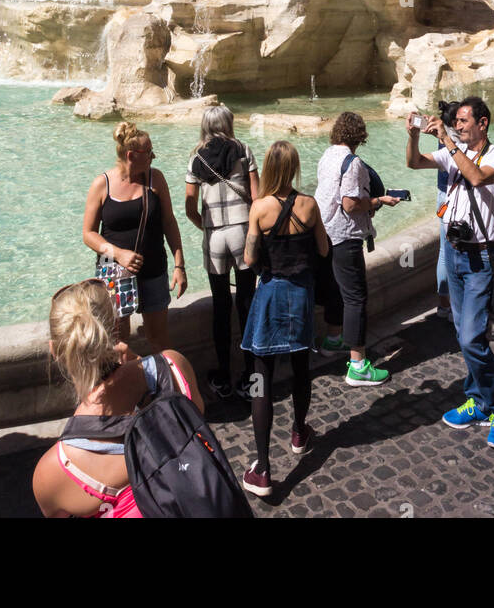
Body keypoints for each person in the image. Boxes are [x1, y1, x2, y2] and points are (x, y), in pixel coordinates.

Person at [33, 279, 203, 518]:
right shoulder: (175, 367)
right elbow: (196, 421)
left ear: (55, 350)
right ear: (115, 326)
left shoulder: (52, 473)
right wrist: (140, 362)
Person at [406, 98, 494, 449]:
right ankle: (479, 399)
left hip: (482, 258)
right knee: (462, 332)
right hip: (455, 254)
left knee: (472, 337)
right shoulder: (453, 155)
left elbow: (476, 176)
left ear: (483, 122)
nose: (459, 125)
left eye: (464, 120)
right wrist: (412, 136)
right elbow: (414, 163)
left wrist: (449, 141)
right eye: (456, 121)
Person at [240, 140, 329, 497]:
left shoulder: (259, 208)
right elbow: (323, 249)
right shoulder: (310, 204)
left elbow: (249, 259)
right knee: (300, 366)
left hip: (270, 295)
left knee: (261, 376)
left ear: (268, 168)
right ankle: (299, 432)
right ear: (293, 168)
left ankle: (262, 468)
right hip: (301, 295)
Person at [82, 121, 186, 352]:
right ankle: (126, 385)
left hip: (154, 271)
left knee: (158, 339)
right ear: (131, 155)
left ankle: (167, 384)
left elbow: (169, 222)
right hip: (114, 273)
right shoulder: (102, 185)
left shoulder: (156, 179)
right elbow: (88, 234)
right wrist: (118, 254)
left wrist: (180, 265)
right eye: (148, 152)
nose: (153, 155)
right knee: (118, 341)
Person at [314, 111, 401, 386]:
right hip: (344, 236)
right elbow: (350, 204)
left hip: (324, 233)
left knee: (334, 290)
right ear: (359, 136)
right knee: (355, 297)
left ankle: (332, 339)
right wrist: (377, 202)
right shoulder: (353, 163)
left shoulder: (327, 155)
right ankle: (358, 365)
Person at [185, 104, 258, 400]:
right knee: (247, 303)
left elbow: (189, 206)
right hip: (243, 233)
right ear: (228, 123)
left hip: (215, 236)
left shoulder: (196, 157)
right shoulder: (243, 149)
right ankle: (251, 374)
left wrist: (204, 225)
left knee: (220, 307)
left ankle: (223, 375)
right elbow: (258, 195)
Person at [434, 100, 461, 321]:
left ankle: (445, 304)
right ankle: (450, 304)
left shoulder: (443, 137)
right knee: (451, 251)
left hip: (442, 195)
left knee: (445, 251)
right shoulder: (455, 139)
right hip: (452, 197)